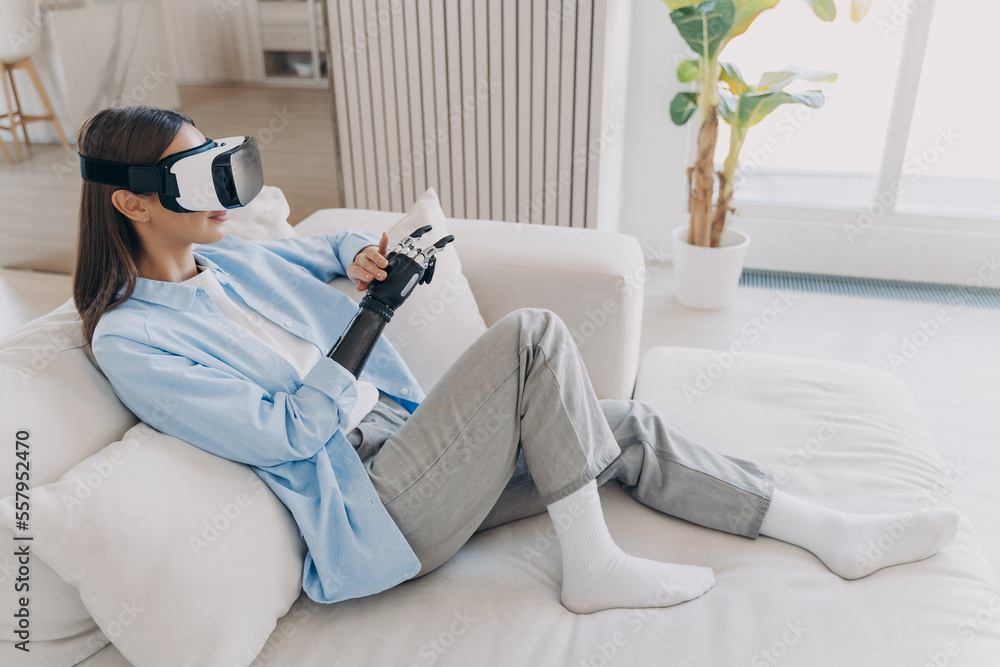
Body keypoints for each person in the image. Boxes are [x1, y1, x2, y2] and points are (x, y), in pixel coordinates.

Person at [74, 106, 959, 615]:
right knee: (532, 337)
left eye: (215, 161)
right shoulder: (132, 340)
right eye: (193, 175)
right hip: (374, 510)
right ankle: (595, 568)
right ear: (131, 203)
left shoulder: (230, 258)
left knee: (621, 425)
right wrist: (375, 314)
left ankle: (830, 531)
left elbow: (321, 244)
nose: (223, 190)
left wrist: (355, 259)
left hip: (413, 446)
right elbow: (289, 432)